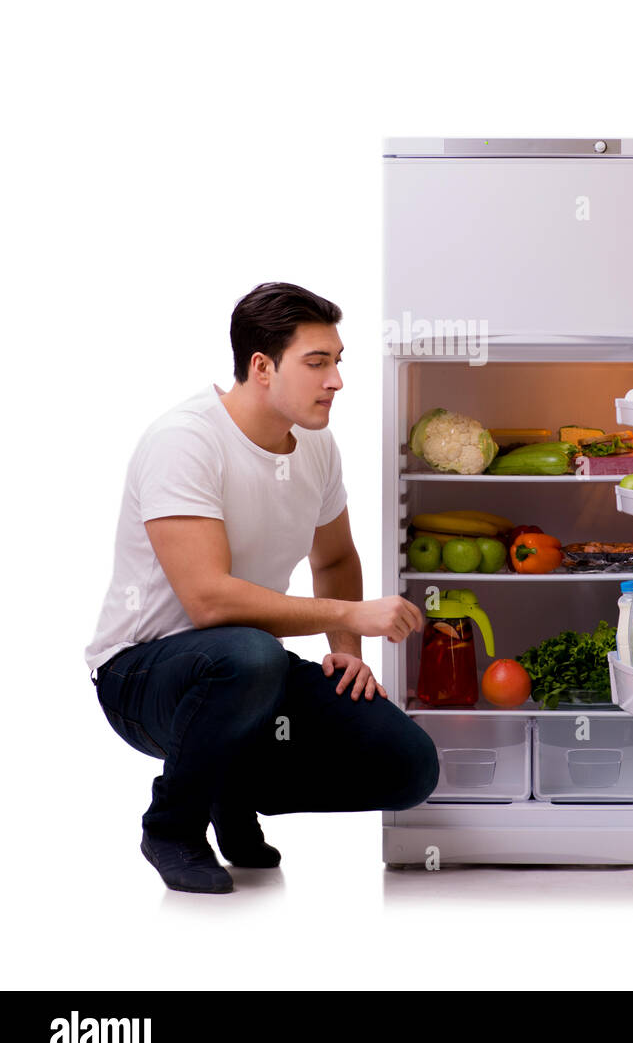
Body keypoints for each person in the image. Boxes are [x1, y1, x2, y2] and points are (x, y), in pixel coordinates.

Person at [84, 281, 438, 893]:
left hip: (247, 674)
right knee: (248, 653)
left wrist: (347, 654)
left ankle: (227, 785)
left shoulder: (317, 449)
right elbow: (209, 601)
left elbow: (335, 558)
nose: (336, 381)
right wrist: (351, 613)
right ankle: (173, 826)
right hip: (141, 678)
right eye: (317, 362)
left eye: (338, 362)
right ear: (262, 367)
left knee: (408, 764)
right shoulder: (186, 441)